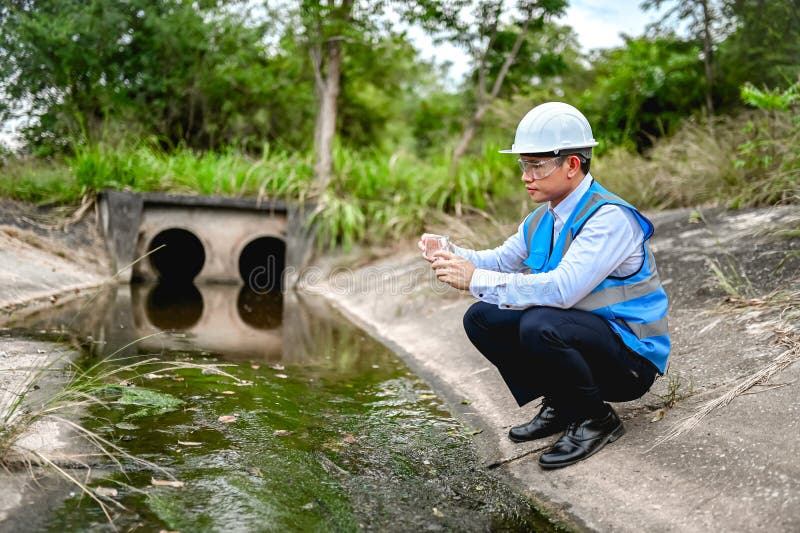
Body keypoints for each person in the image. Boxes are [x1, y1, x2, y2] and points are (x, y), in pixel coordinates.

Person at [419, 102, 670, 469]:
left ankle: (596, 419)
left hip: (630, 359)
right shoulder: (544, 217)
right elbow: (501, 260)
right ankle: (564, 402)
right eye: (524, 165)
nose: (526, 176)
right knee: (482, 318)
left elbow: (563, 290)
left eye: (537, 165)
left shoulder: (609, 218)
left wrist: (475, 278)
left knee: (540, 323)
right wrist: (450, 251)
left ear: (572, 164)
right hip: (583, 338)